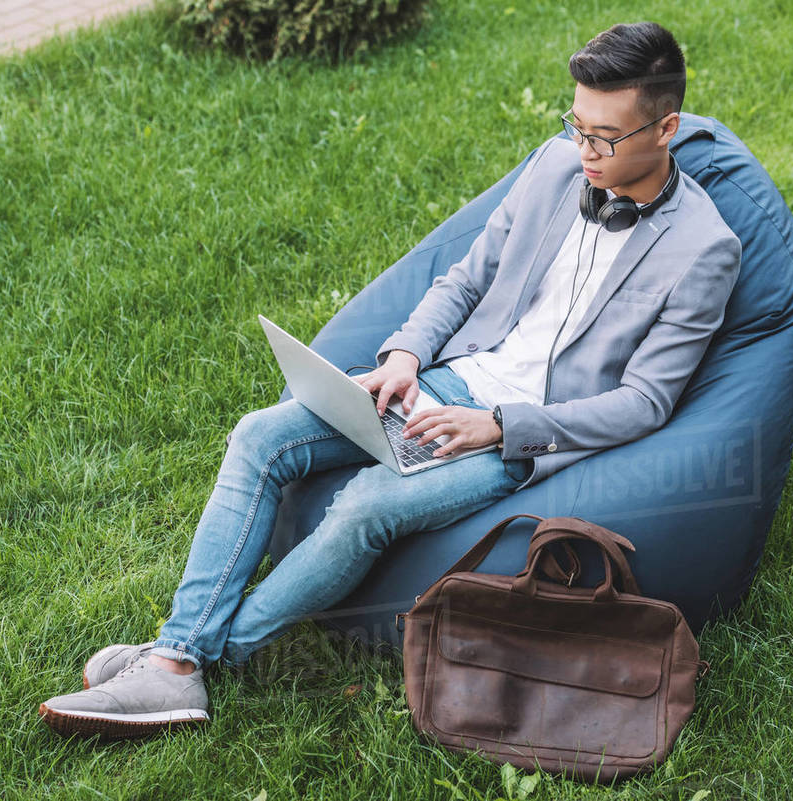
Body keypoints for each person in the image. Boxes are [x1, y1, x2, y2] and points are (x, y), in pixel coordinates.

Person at [38, 20, 741, 739]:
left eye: (605, 137)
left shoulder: (703, 249)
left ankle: (186, 663)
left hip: (515, 439)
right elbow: (464, 280)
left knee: (366, 506)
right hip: (438, 380)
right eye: (577, 125)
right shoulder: (553, 168)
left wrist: (500, 426)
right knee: (259, 434)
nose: (584, 150)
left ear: (666, 128)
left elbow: (646, 403)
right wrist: (403, 357)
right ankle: (177, 659)